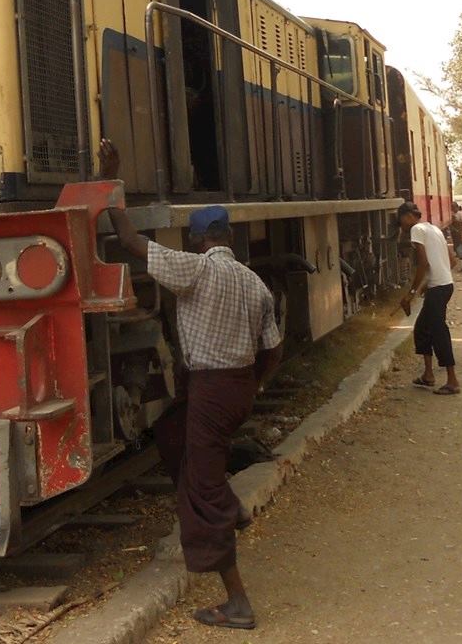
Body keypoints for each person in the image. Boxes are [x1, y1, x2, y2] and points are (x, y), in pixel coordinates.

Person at [98, 139, 282, 632]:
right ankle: (230, 505)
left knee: (199, 493)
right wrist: (255, 384)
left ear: (200, 240)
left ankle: (237, 601)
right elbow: (274, 346)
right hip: (236, 389)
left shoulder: (197, 270)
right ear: (227, 236)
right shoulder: (255, 283)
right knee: (171, 434)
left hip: (210, 388)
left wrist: (113, 187)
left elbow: (135, 244)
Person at [398, 201, 461, 395]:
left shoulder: (416, 230)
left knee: (438, 332)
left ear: (408, 216)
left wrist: (410, 293)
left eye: (401, 221)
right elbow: (451, 260)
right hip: (445, 285)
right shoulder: (434, 229)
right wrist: (431, 282)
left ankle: (452, 381)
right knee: (422, 329)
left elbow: (423, 263)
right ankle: (428, 375)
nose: (402, 226)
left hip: (439, 288)